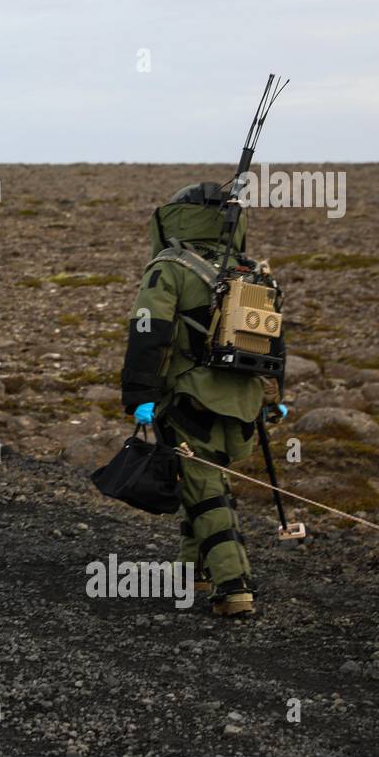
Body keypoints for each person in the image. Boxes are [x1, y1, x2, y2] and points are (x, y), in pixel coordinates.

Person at [119, 182, 287, 617]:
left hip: (191, 399)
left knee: (206, 490)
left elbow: (147, 333)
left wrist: (139, 394)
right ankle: (194, 571)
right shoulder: (251, 272)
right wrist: (273, 401)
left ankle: (234, 588)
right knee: (203, 479)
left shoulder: (168, 267)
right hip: (244, 401)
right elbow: (273, 343)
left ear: (173, 217)